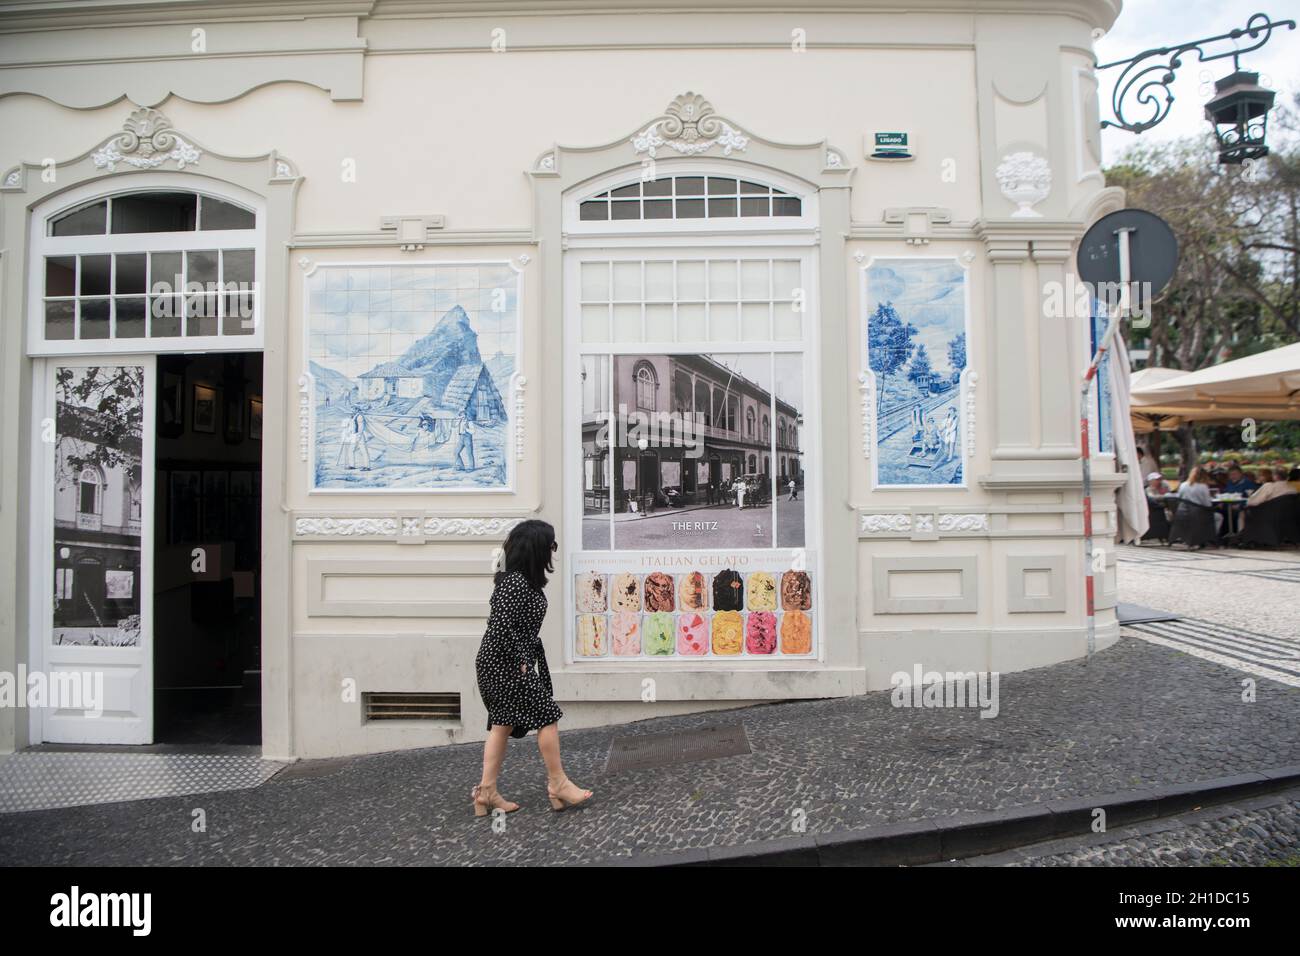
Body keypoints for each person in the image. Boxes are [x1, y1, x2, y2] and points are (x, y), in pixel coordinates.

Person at [473, 520, 591, 816]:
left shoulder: (515, 580)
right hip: (507, 664)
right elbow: (500, 627)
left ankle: (486, 793)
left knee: (502, 724)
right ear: (537, 549)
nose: (554, 550)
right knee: (547, 717)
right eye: (551, 545)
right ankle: (558, 783)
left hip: (498, 661)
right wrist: (521, 663)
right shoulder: (515, 583)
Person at [1176, 466, 1222, 535]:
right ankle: (1211, 536)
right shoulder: (1203, 487)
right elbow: (1208, 505)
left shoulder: (1183, 485)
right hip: (1198, 515)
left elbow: (1179, 498)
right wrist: (1217, 506)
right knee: (1219, 517)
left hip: (1183, 513)